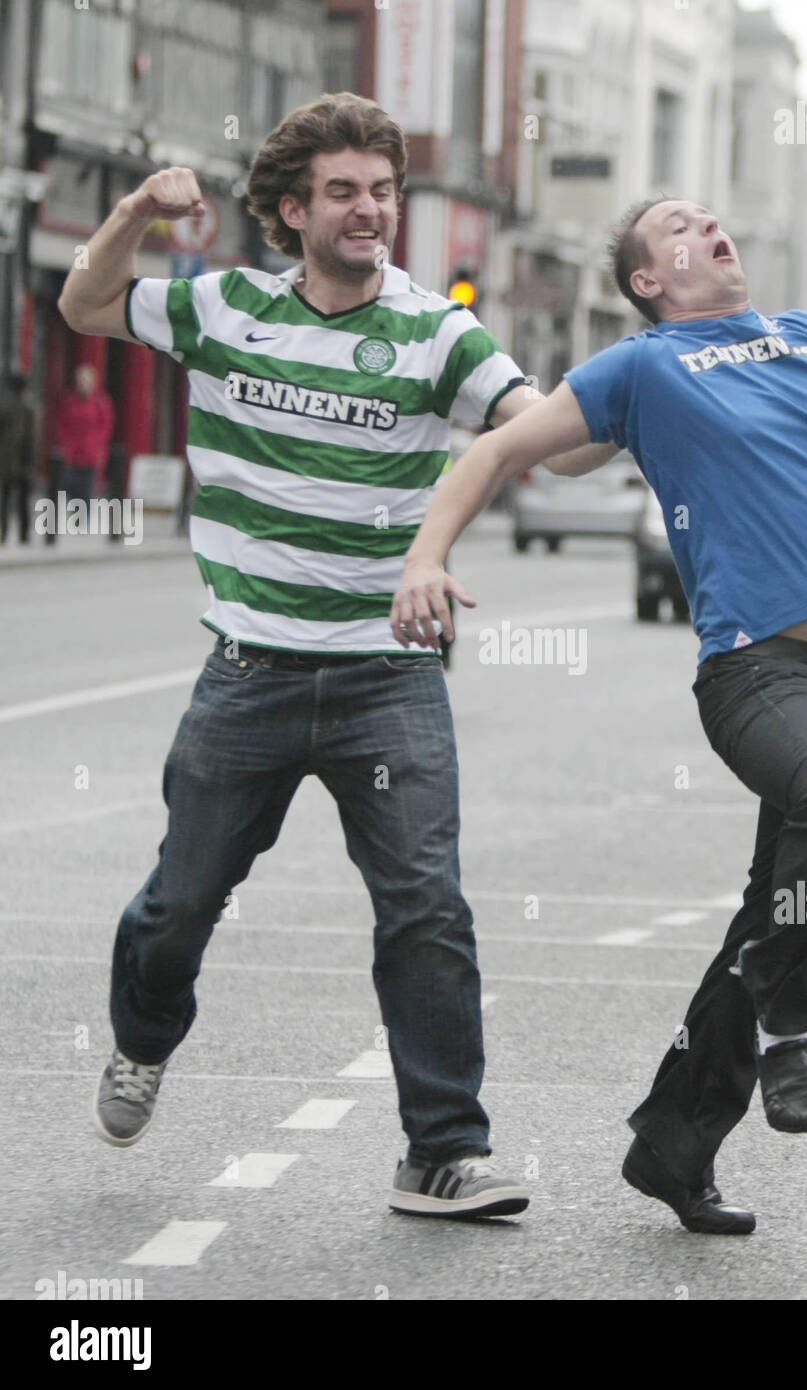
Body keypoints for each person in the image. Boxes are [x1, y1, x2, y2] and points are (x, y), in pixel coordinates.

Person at [389, 197, 807, 1233]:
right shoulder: (643, 368)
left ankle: (673, 1144)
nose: (710, 227)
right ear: (647, 280)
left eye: (713, 217)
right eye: (680, 225)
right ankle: (787, 1018)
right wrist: (423, 556)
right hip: (758, 672)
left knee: (781, 900)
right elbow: (495, 453)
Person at [57, 92, 604, 1220]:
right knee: (179, 905)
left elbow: (549, 444)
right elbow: (85, 302)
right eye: (346, 192)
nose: (372, 211)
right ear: (293, 210)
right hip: (248, 672)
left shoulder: (436, 333)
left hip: (385, 676)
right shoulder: (221, 307)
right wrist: (139, 211)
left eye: (385, 191)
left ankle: (442, 1150)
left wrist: (623, 400)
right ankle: (142, 1041)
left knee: (425, 908)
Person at [53, 363, 114, 511]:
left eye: (86, 381)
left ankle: (82, 519)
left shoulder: (101, 402)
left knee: (86, 487)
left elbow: (106, 427)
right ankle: (75, 514)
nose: (83, 384)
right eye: (80, 381)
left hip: (91, 452)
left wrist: (98, 447)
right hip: (72, 452)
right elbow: (62, 424)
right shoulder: (69, 401)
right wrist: (64, 444)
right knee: (70, 484)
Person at [0, 373, 35, 545]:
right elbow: (31, 438)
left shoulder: (4, 405)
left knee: (5, 499)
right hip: (22, 461)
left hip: (6, 461)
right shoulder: (27, 407)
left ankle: (3, 533)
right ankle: (24, 534)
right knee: (22, 500)